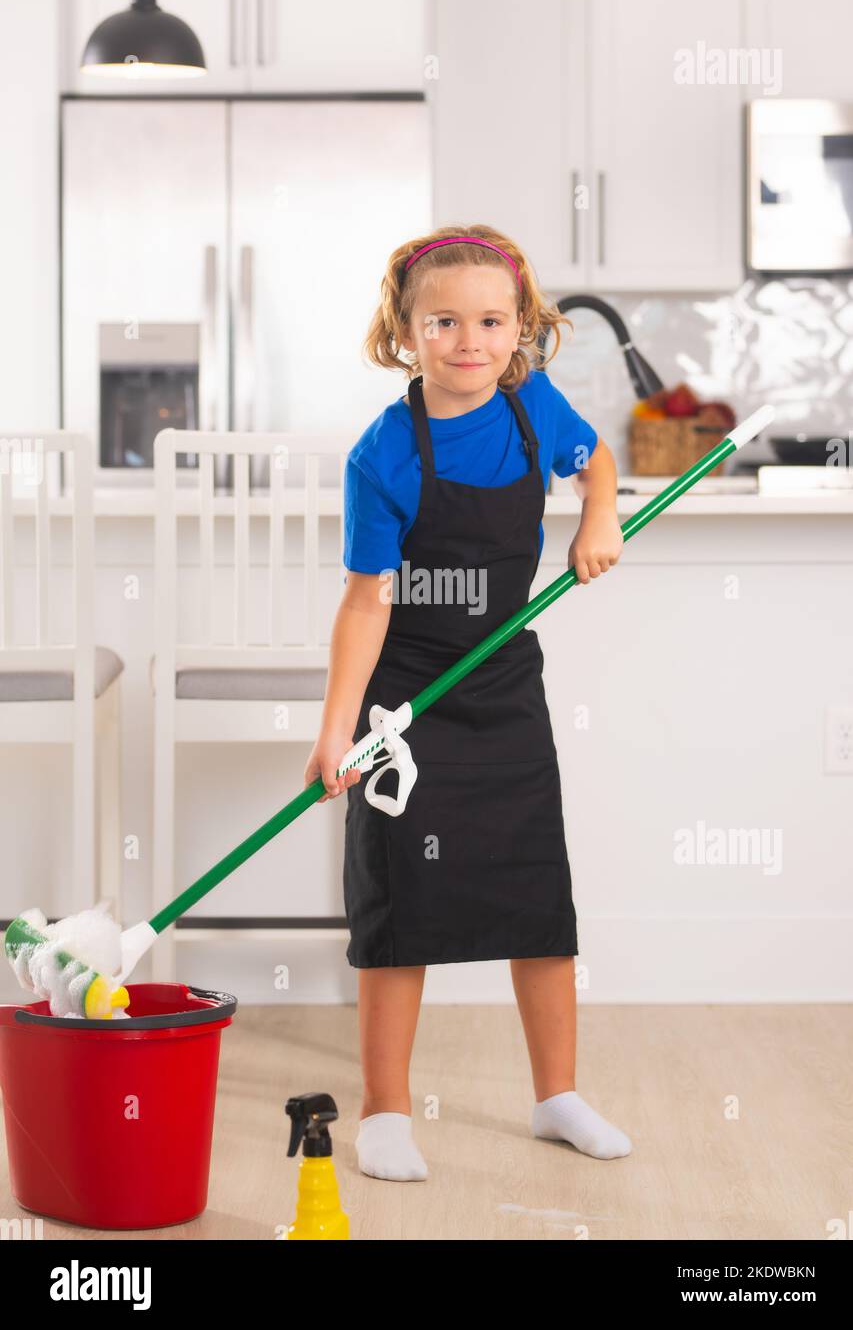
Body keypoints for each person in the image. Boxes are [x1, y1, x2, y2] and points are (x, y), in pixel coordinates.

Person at [304, 225, 630, 1180]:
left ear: (520, 328)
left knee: (539, 893)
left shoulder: (533, 405)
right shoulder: (385, 454)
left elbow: (595, 460)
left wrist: (598, 514)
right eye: (442, 321)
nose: (469, 341)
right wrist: (337, 733)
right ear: (405, 332)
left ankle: (556, 1095)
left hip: (503, 685)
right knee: (398, 906)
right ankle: (386, 1113)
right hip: (404, 705)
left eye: (491, 321)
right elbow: (367, 602)